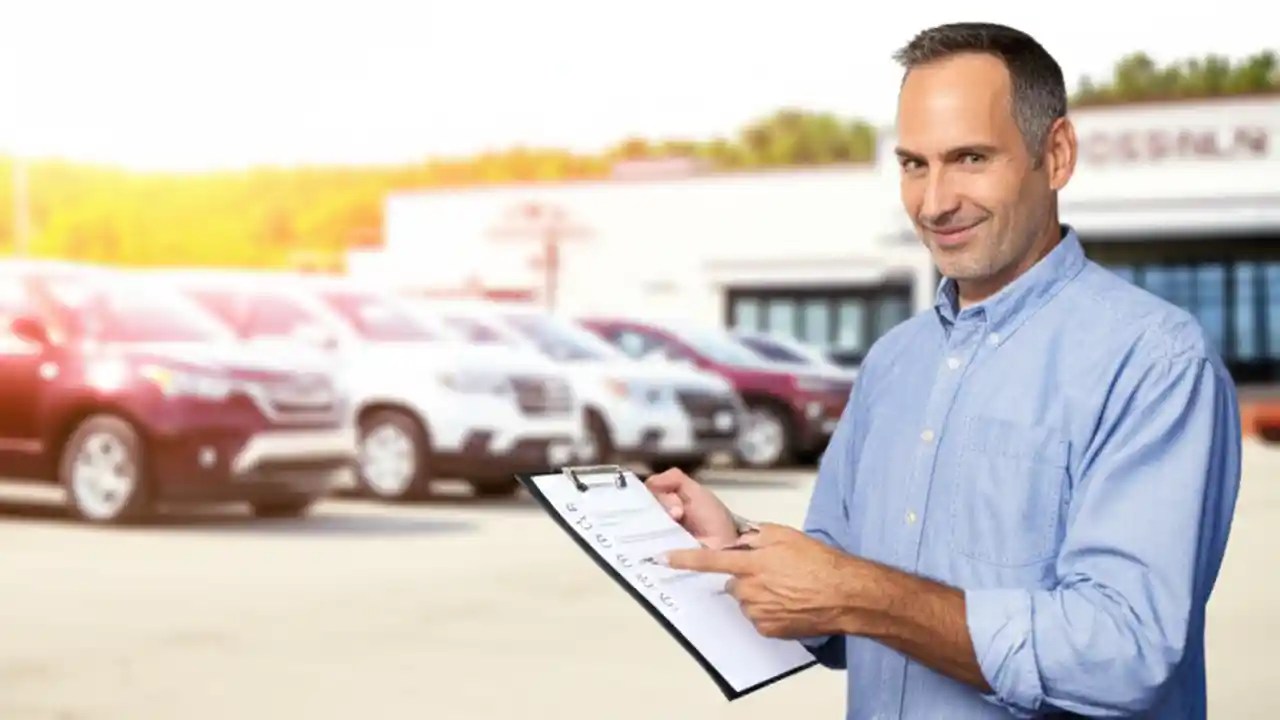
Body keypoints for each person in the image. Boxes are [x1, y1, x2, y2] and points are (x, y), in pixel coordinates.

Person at [648, 21, 1242, 719]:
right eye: (913, 165)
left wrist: (858, 592)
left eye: (968, 158)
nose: (935, 204)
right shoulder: (894, 362)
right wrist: (739, 547)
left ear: (1055, 155)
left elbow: (1124, 652)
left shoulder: (1153, 361)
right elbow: (838, 599)